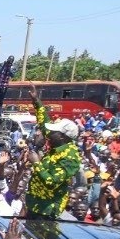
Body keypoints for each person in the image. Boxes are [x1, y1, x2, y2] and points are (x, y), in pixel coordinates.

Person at [25, 86, 83, 220]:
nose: (49, 132)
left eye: (54, 131)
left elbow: (51, 182)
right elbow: (44, 123)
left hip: (47, 211)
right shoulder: (57, 142)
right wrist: (36, 101)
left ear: (63, 137)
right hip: (35, 205)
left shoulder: (70, 158)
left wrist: (37, 163)